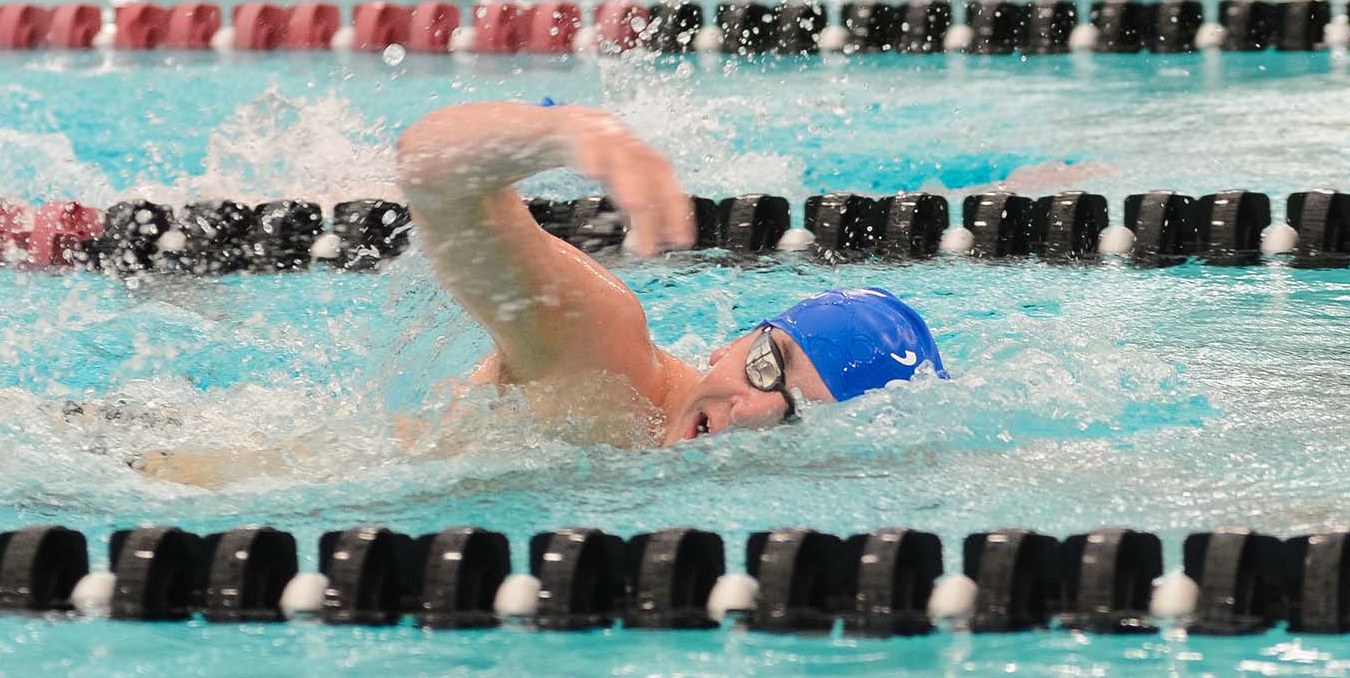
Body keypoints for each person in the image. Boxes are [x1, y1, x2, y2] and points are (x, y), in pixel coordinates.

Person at [396, 102, 948, 447]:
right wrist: (567, 132)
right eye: (763, 368)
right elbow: (429, 169)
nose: (751, 412)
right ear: (735, 342)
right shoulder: (604, 363)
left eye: (796, 419)